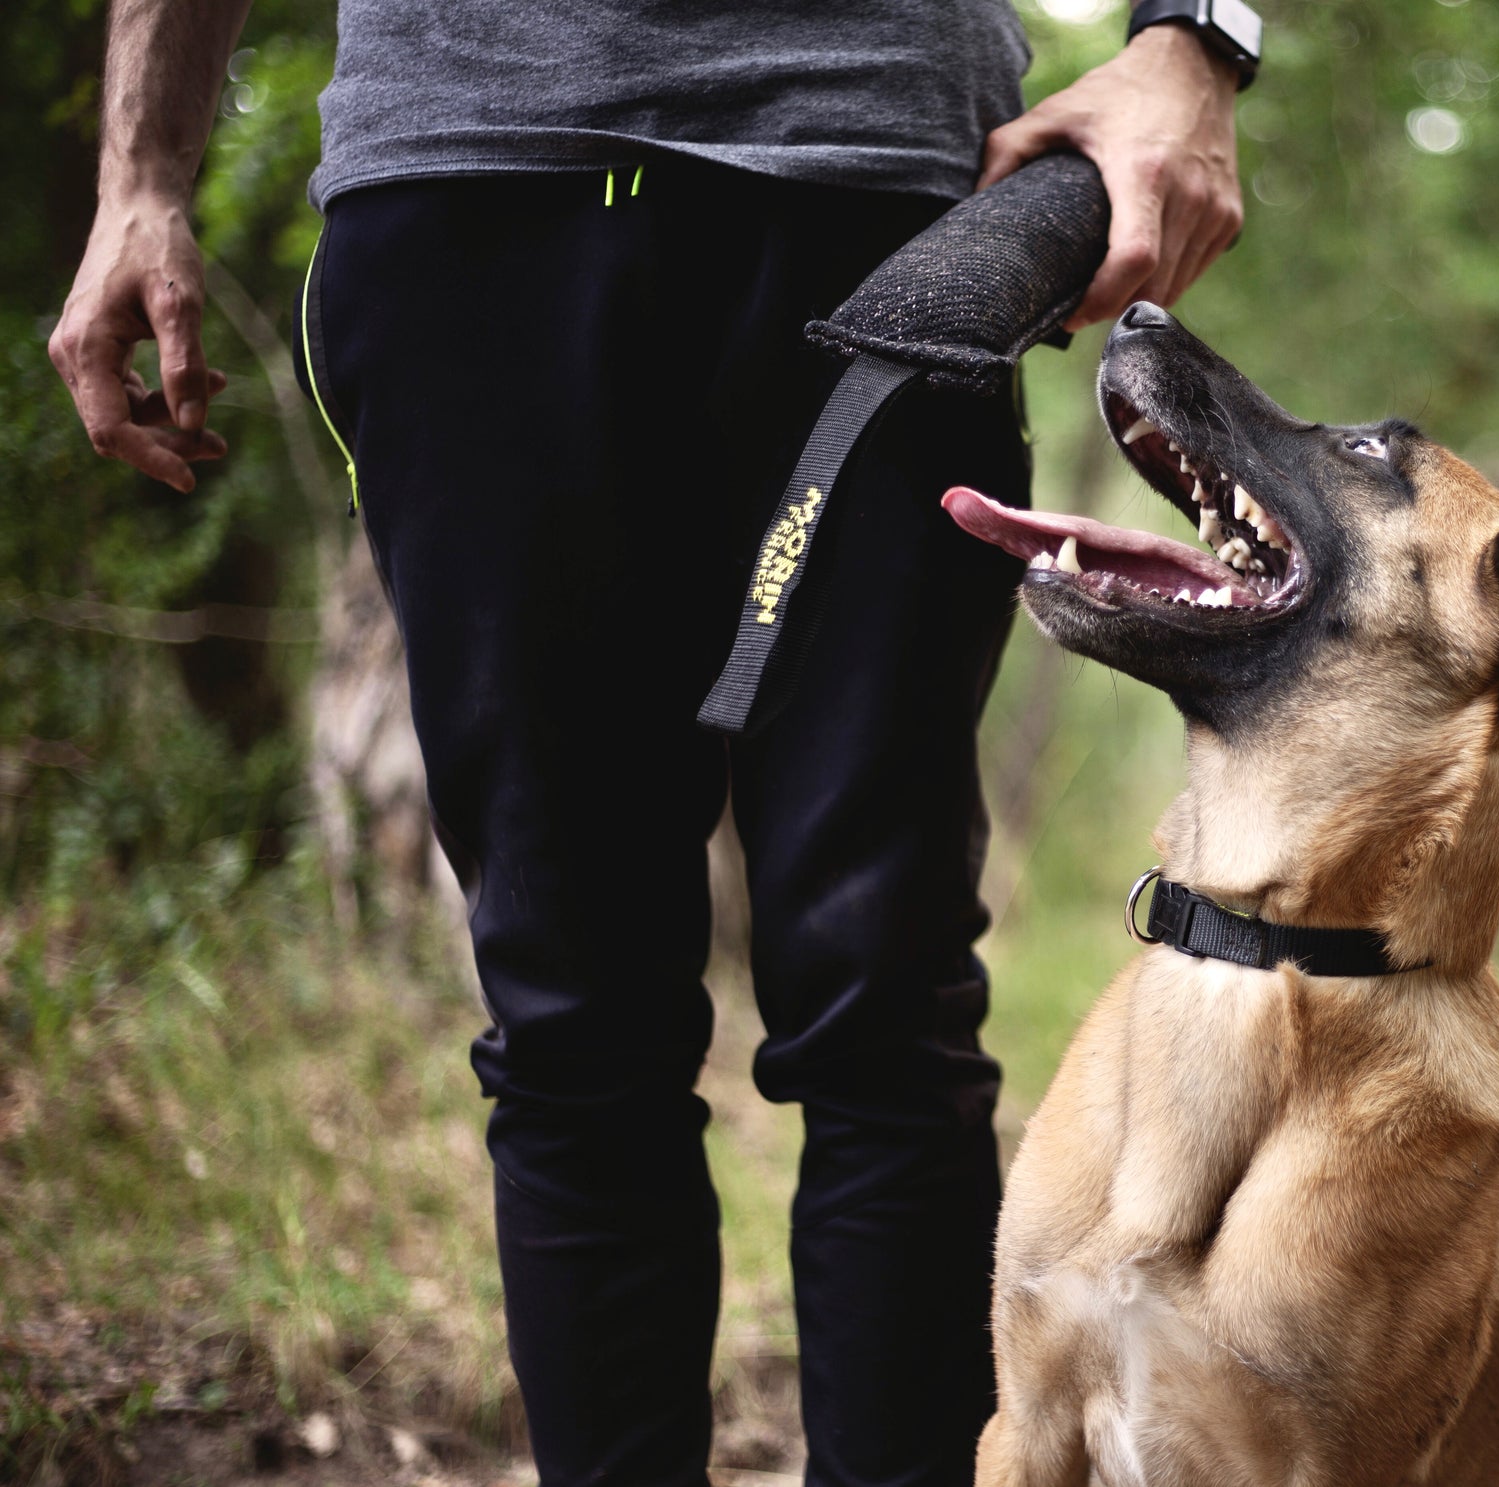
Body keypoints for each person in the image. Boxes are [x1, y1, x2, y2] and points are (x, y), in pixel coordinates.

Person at [48, 3, 1247, 1483]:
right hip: (466, 202)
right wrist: (140, 180)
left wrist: (1193, 38)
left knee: (884, 998)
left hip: (878, 197)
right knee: (572, 1020)